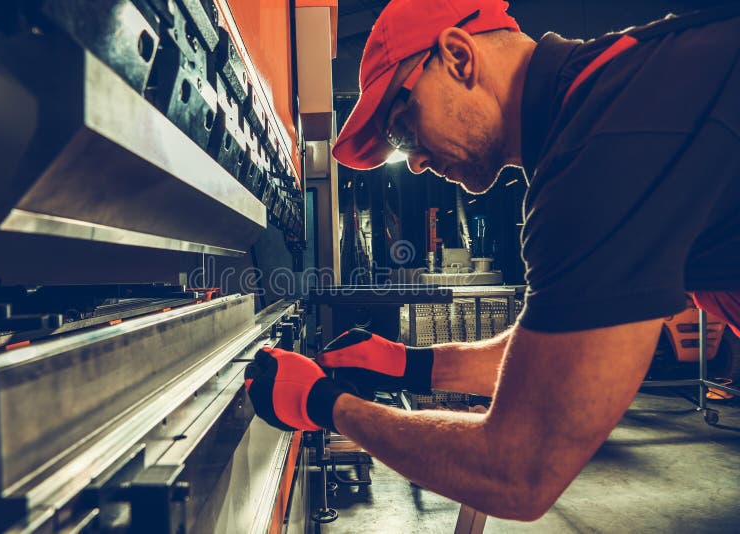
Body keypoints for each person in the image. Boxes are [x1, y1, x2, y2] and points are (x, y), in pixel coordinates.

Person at [244, 0, 740, 521]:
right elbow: (555, 363)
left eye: (401, 126)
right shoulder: (609, 99)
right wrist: (405, 364)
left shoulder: (596, 152)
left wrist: (324, 405)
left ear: (458, 56)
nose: (413, 161)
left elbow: (516, 471)